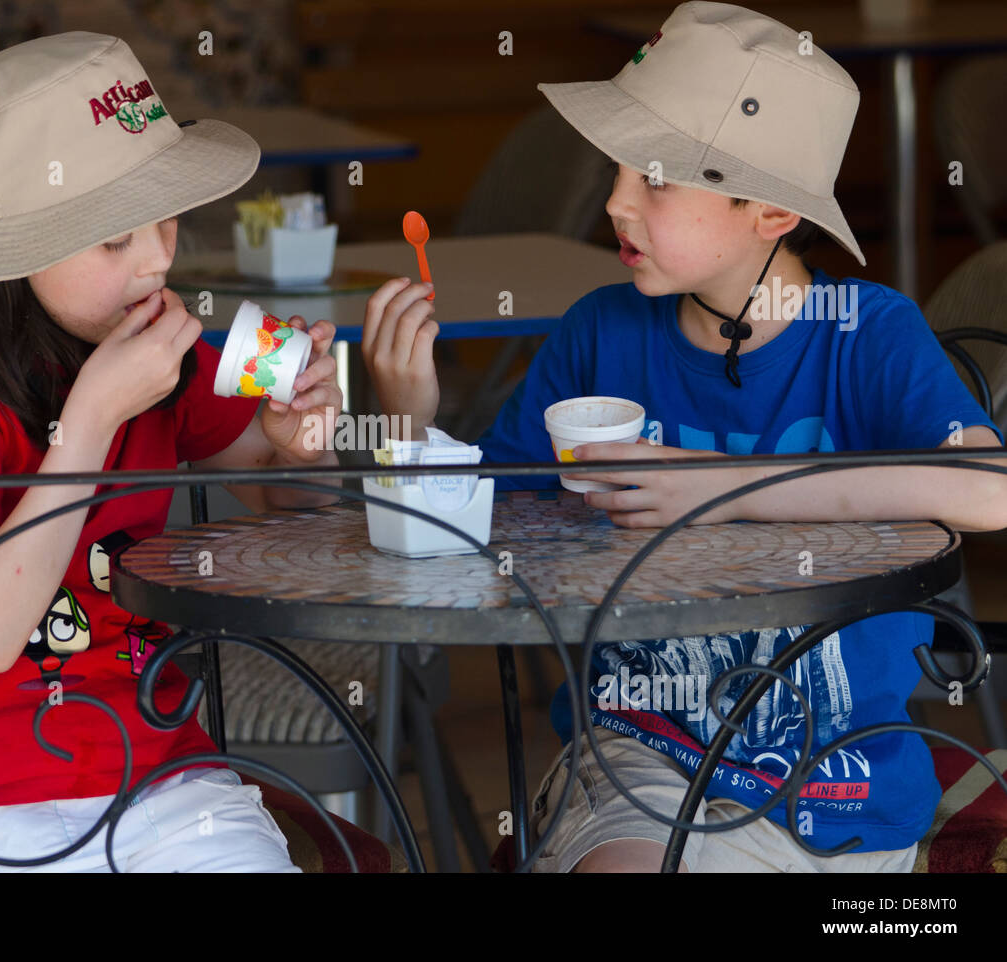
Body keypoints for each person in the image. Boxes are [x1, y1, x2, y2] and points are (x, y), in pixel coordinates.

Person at [361, 1, 1007, 872]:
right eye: (620, 169)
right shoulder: (601, 335)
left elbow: (988, 489)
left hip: (848, 786)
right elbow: (468, 530)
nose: (618, 201)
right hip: (644, 758)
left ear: (771, 212)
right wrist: (409, 419)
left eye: (658, 177)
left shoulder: (865, 331)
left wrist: (719, 487)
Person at [0, 32, 344, 872]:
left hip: (158, 772)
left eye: (166, 219)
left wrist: (296, 446)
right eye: (114, 238)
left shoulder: (157, 354)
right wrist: (88, 422)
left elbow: (306, 528)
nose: (159, 259)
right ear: (18, 251)